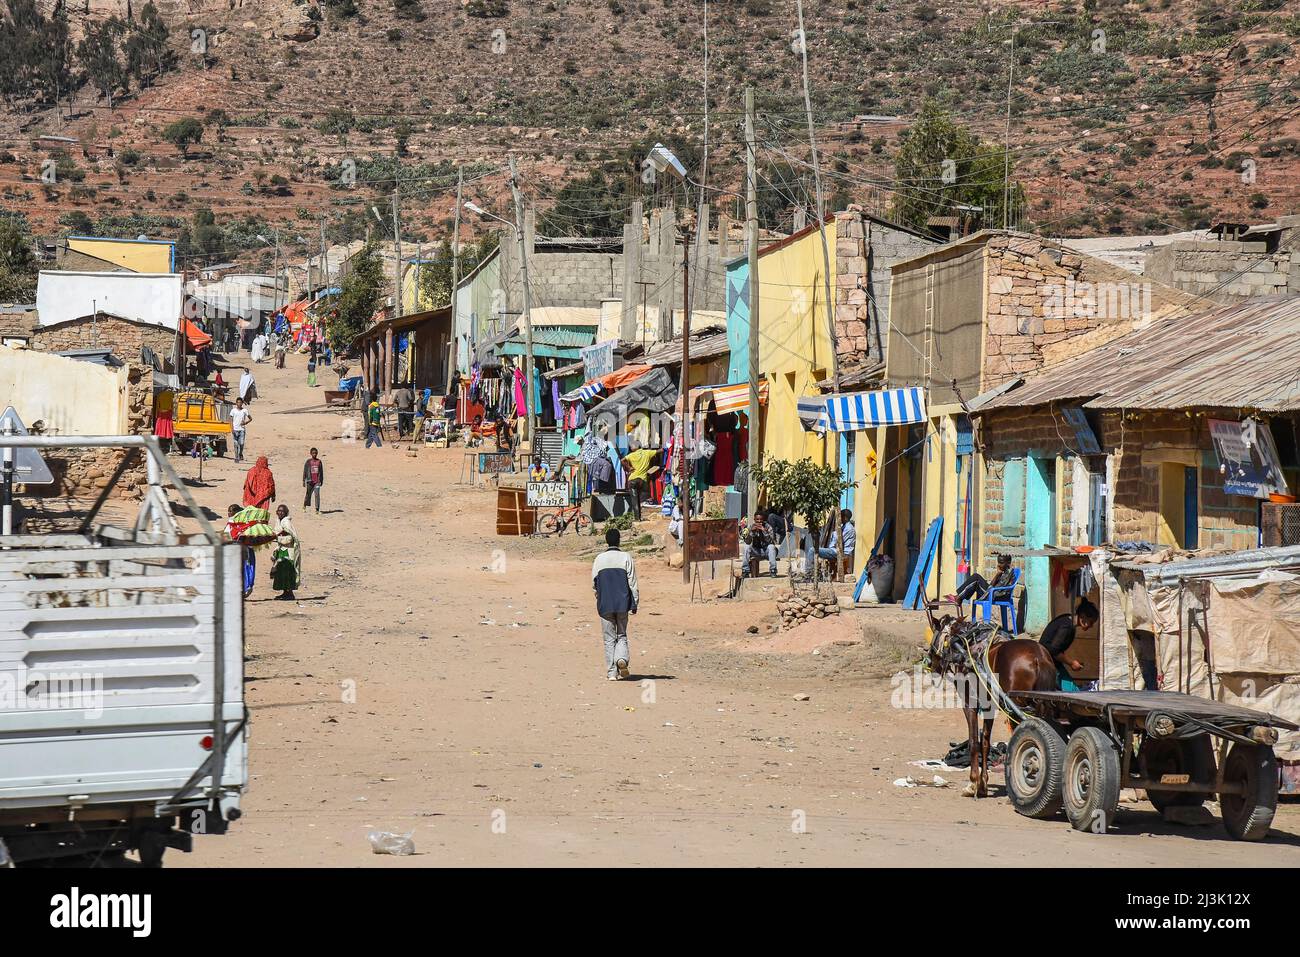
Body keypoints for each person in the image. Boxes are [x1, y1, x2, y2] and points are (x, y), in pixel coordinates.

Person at [592, 527, 638, 681]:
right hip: (622, 603)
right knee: (622, 635)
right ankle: (622, 660)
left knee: (609, 638)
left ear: (606, 541)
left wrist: (599, 597)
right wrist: (635, 602)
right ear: (619, 540)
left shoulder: (599, 559)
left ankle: (612, 672)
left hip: (605, 603)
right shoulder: (626, 557)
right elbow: (632, 582)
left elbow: (594, 584)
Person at [1040, 599, 1099, 690]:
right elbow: (1053, 650)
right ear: (1083, 617)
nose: (1091, 626)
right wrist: (1071, 662)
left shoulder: (1068, 621)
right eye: (1090, 622)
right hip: (1046, 660)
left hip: (1051, 660)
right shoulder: (1067, 626)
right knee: (1071, 691)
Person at [951, 553, 1017, 605]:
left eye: (1001, 563)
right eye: (998, 562)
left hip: (996, 595)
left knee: (976, 577)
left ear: (1008, 563)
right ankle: (959, 597)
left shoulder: (1008, 574)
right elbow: (992, 585)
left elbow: (998, 590)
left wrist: (998, 575)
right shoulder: (1003, 572)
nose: (999, 565)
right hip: (993, 592)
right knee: (975, 579)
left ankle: (959, 598)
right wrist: (998, 574)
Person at [807, 508, 855, 575]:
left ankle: (809, 572)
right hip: (836, 550)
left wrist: (834, 533)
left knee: (812, 550)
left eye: (840, 516)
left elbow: (838, 539)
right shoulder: (843, 526)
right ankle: (813, 571)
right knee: (815, 550)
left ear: (845, 518)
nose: (839, 519)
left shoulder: (848, 528)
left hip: (840, 552)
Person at [621, 441, 661, 520]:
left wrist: (629, 468)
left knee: (634, 500)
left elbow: (622, 460)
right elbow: (660, 450)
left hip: (632, 480)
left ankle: (637, 518)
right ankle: (640, 516)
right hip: (642, 481)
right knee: (640, 499)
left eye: (631, 446)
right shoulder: (647, 453)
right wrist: (661, 445)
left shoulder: (631, 455)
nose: (631, 447)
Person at [270, 505, 302, 601]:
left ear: (286, 513)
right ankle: (285, 592)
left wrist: (277, 538)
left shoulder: (286, 523)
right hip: (282, 550)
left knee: (288, 572)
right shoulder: (278, 522)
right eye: (279, 511)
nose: (280, 513)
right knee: (281, 572)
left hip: (288, 551)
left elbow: (290, 538)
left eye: (282, 511)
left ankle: (289, 593)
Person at [225, 503, 257, 598]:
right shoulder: (245, 523)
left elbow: (227, 537)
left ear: (236, 512)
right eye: (228, 511)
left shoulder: (233, 524)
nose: (229, 513)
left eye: (231, 511)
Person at [743, 511, 779, 577]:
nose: (759, 521)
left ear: (763, 520)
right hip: (756, 551)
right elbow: (747, 542)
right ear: (754, 519)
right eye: (757, 519)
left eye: (761, 519)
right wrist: (752, 532)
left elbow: (771, 542)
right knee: (746, 547)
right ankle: (745, 571)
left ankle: (773, 570)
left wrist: (764, 531)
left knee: (771, 547)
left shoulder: (768, 527)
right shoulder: (751, 527)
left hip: (766, 552)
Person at [302, 447, 324, 513]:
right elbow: (305, 471)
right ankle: (304, 506)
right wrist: (303, 480)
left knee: (317, 495)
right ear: (311, 454)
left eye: (315, 453)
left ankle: (317, 509)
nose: (314, 454)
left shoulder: (319, 462)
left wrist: (321, 480)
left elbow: (321, 472)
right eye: (313, 453)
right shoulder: (308, 462)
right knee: (308, 495)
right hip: (310, 481)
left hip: (317, 482)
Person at [230, 397, 251, 463]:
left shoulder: (244, 410)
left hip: (242, 429)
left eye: (240, 402)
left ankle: (240, 453)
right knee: (235, 444)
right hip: (235, 429)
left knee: (241, 443)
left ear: (242, 403)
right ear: (236, 403)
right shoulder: (233, 411)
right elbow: (231, 420)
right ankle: (236, 457)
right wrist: (232, 428)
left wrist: (245, 422)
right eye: (238, 402)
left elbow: (250, 418)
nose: (239, 404)